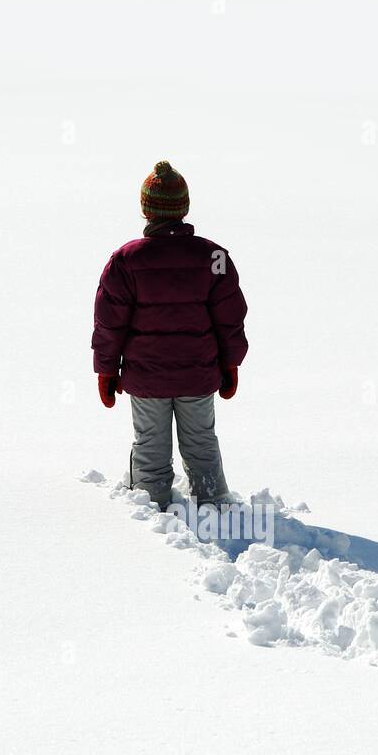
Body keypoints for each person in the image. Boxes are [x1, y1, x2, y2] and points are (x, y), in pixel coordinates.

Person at [91, 160, 248, 508]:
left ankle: (152, 508)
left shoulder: (125, 261)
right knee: (201, 441)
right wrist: (230, 363)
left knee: (149, 445)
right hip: (199, 373)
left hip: (147, 378)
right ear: (184, 207)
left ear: (146, 209)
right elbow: (230, 318)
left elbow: (109, 323)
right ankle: (215, 504)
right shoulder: (214, 257)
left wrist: (106, 369)